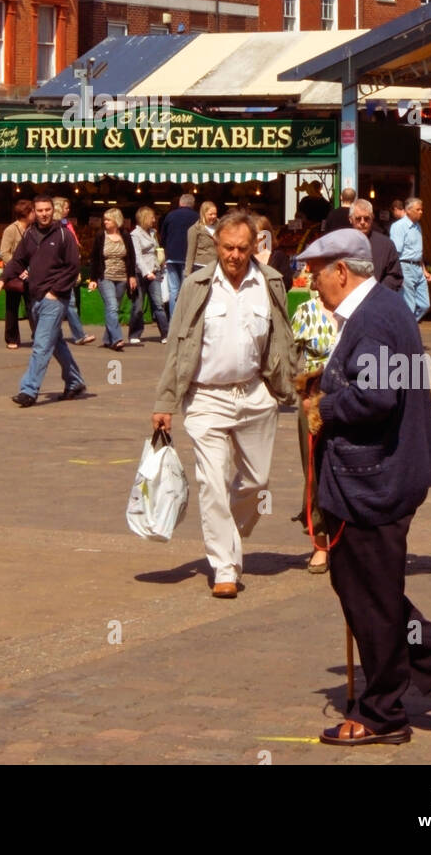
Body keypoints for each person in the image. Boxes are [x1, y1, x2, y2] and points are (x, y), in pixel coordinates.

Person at [298, 226, 431, 746]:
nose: (310, 279)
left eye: (316, 270)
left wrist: (323, 407)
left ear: (342, 271)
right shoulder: (378, 308)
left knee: (370, 597)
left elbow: (374, 399)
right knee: (366, 589)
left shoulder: (374, 315)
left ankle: (383, 712)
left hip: (376, 479)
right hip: (379, 474)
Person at [151, 211, 295, 598]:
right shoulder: (197, 285)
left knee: (257, 482)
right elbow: (178, 344)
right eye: (228, 247)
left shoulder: (270, 283)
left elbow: (282, 337)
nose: (234, 255)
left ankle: (228, 530)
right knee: (212, 484)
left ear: (254, 247)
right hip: (205, 398)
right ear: (216, 245)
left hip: (254, 393)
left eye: (242, 248)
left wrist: (293, 386)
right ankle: (225, 566)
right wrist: (165, 400)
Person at [0, 195, 85, 407]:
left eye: (47, 210)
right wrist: (3, 278)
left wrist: (55, 291)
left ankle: (29, 390)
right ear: (34, 212)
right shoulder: (30, 234)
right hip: (33, 297)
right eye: (40, 210)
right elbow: (18, 260)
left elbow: (73, 267)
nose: (44, 214)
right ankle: (75, 381)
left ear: (53, 211)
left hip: (54, 299)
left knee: (41, 345)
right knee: (55, 343)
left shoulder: (63, 235)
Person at [289, 278, 337, 574]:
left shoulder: (359, 313)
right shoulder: (306, 311)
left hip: (354, 398)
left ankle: (349, 541)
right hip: (313, 399)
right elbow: (287, 354)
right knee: (315, 472)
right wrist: (298, 388)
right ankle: (320, 544)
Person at [88, 208, 138, 350]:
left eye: (108, 219)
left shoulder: (126, 236)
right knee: (112, 306)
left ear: (116, 221)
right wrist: (93, 279)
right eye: (105, 219)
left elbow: (131, 257)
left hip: (122, 277)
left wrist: (132, 276)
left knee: (113, 309)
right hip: (105, 277)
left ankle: (107, 339)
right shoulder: (100, 236)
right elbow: (94, 258)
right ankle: (117, 338)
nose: (105, 222)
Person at [53, 197, 93, 345]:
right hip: (60, 269)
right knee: (64, 303)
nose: (68, 210)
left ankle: (78, 334)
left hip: (67, 268)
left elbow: (73, 242)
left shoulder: (67, 224)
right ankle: (74, 334)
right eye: (65, 207)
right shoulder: (56, 227)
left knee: (68, 303)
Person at [128, 206, 169, 345]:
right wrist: (147, 272)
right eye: (152, 217)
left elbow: (156, 250)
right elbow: (137, 257)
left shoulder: (153, 232)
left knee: (158, 304)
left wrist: (161, 263)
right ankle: (135, 333)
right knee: (138, 306)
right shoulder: (135, 235)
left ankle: (165, 333)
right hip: (141, 273)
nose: (154, 219)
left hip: (155, 270)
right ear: (145, 218)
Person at [0, 199, 36, 349]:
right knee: (12, 307)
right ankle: (12, 338)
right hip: (14, 273)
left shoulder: (34, 229)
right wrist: (19, 268)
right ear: (26, 213)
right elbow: (4, 253)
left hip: (31, 272)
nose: (35, 214)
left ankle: (39, 336)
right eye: (33, 211)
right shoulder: (11, 230)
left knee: (33, 306)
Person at [390, 197, 431, 321]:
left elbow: (418, 252)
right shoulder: (399, 226)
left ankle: (406, 325)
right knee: (409, 304)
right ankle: (407, 329)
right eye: (418, 209)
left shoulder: (418, 226)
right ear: (408, 210)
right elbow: (395, 251)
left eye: (421, 209)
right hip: (405, 266)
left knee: (425, 305)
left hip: (418, 267)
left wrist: (424, 270)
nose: (421, 212)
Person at [349, 200, 402, 290]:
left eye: (366, 218)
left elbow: (395, 275)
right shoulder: (341, 243)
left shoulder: (386, 245)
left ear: (372, 218)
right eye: (358, 218)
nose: (362, 222)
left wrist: (379, 291)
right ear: (350, 219)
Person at [160, 194, 199, 316]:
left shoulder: (170, 215)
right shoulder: (197, 217)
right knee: (186, 290)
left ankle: (173, 320)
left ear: (180, 203)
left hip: (171, 257)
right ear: (192, 204)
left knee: (173, 290)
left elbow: (163, 237)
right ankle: (184, 320)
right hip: (188, 258)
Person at [184, 200, 218, 276]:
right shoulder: (194, 229)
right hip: (201, 267)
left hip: (217, 266)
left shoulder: (221, 226)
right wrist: (187, 273)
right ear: (203, 214)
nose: (213, 216)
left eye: (215, 214)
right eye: (210, 214)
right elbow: (190, 253)